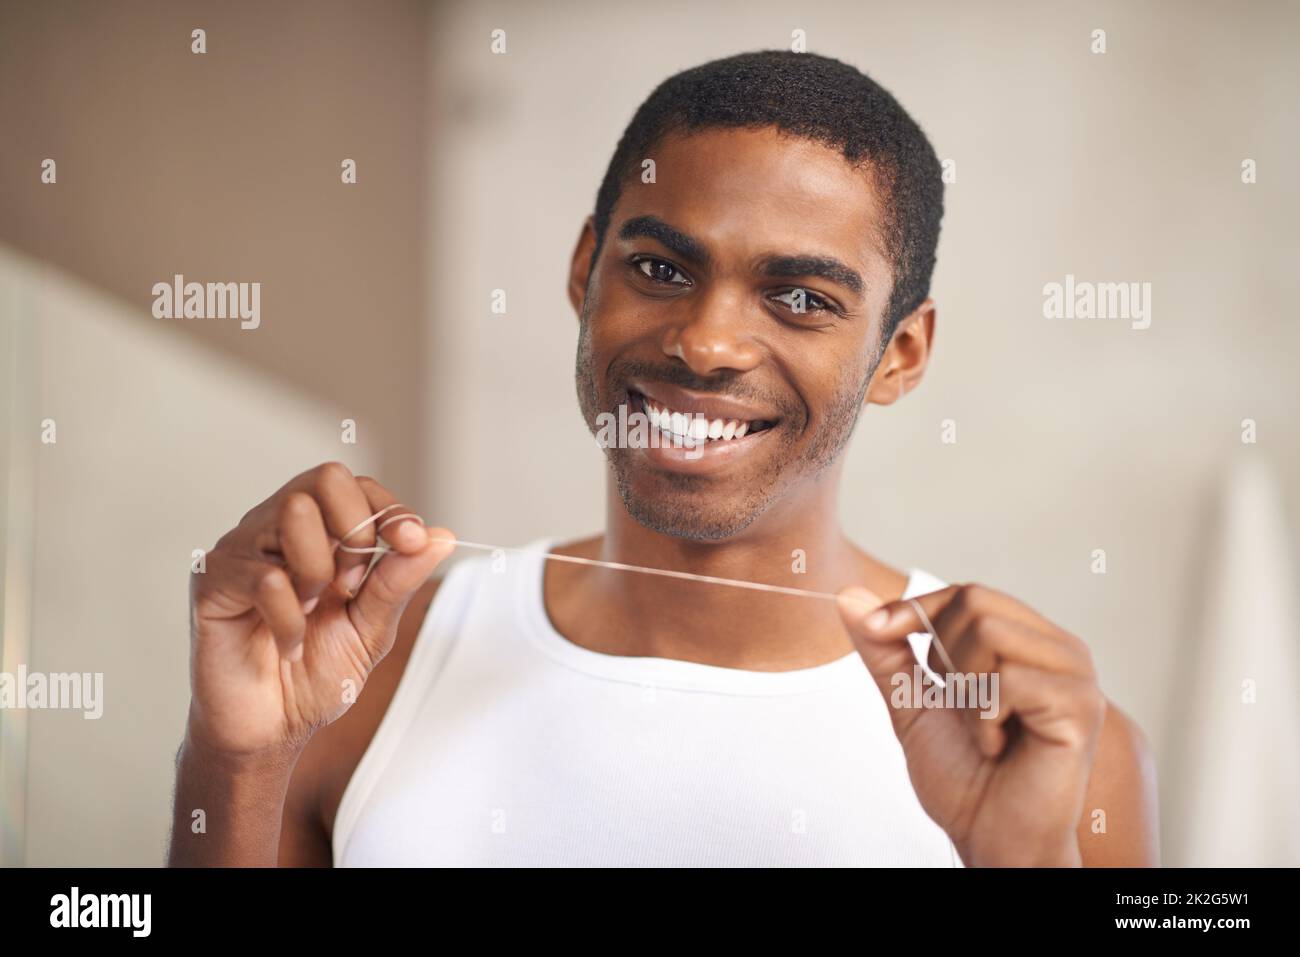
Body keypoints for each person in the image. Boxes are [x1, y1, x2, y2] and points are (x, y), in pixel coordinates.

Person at [168, 50, 1158, 867]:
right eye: (659, 268)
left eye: (801, 297)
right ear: (581, 273)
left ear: (899, 354)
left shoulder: (1049, 747)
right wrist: (240, 756)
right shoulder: (369, 665)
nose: (705, 342)